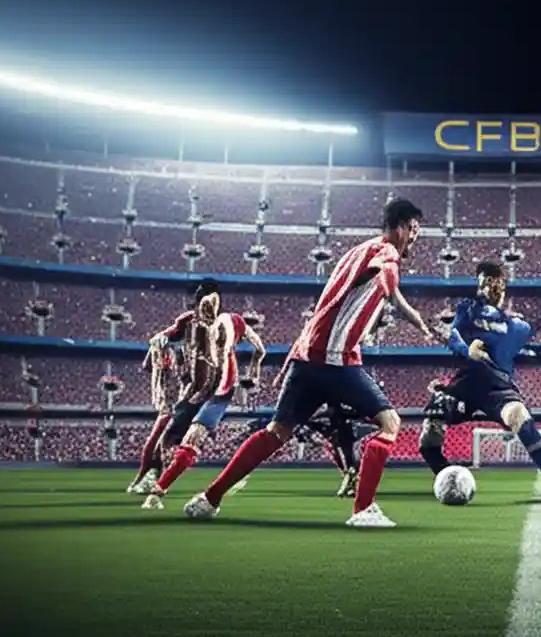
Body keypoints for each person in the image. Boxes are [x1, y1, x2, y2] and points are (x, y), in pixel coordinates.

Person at [184, 198, 434, 528]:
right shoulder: (388, 253)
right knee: (390, 424)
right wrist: (396, 296)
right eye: (414, 229)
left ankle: (208, 499)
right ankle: (363, 510)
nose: (415, 236)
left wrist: (417, 320)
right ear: (401, 227)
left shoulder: (361, 250)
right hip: (335, 361)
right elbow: (388, 278)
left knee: (276, 432)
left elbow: (387, 291)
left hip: (306, 356)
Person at [419, 261, 541, 503]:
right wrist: (467, 350)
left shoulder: (517, 326)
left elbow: (523, 349)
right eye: (485, 282)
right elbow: (453, 336)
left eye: (496, 283)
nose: (490, 287)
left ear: (503, 289)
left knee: (519, 416)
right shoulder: (467, 311)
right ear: (479, 285)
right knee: (429, 434)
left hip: (498, 386)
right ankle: (447, 476)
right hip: (466, 383)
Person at [141, 297, 265, 509]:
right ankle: (155, 486)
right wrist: (254, 369)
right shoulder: (207, 332)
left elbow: (224, 377)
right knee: (173, 440)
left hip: (218, 394)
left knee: (191, 440)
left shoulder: (225, 338)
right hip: (204, 389)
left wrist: (253, 371)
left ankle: (155, 494)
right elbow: (260, 350)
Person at [127, 280, 218, 494]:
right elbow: (160, 338)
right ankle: (148, 477)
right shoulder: (189, 321)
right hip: (185, 390)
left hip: (197, 391)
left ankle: (150, 477)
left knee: (169, 437)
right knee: (163, 435)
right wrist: (156, 355)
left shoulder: (216, 325)